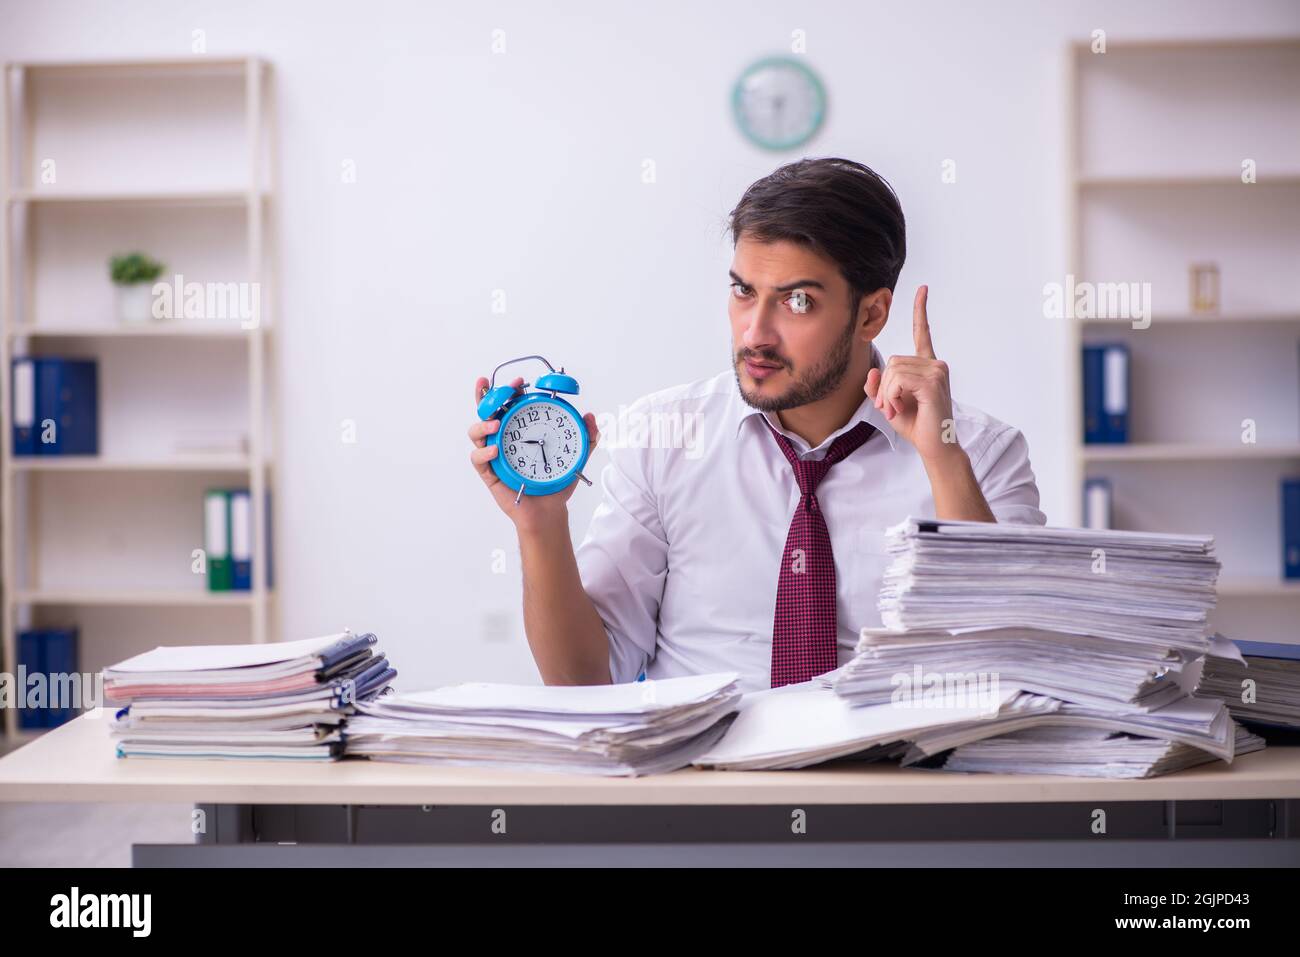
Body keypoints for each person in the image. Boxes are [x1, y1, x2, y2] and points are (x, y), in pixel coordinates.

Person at [468, 157, 1045, 693]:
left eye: (797, 303)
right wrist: (540, 526)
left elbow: (1008, 670)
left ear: (871, 313)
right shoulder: (663, 439)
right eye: (744, 292)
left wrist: (941, 459)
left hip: (897, 785)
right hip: (707, 785)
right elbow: (586, 683)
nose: (754, 334)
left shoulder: (981, 452)